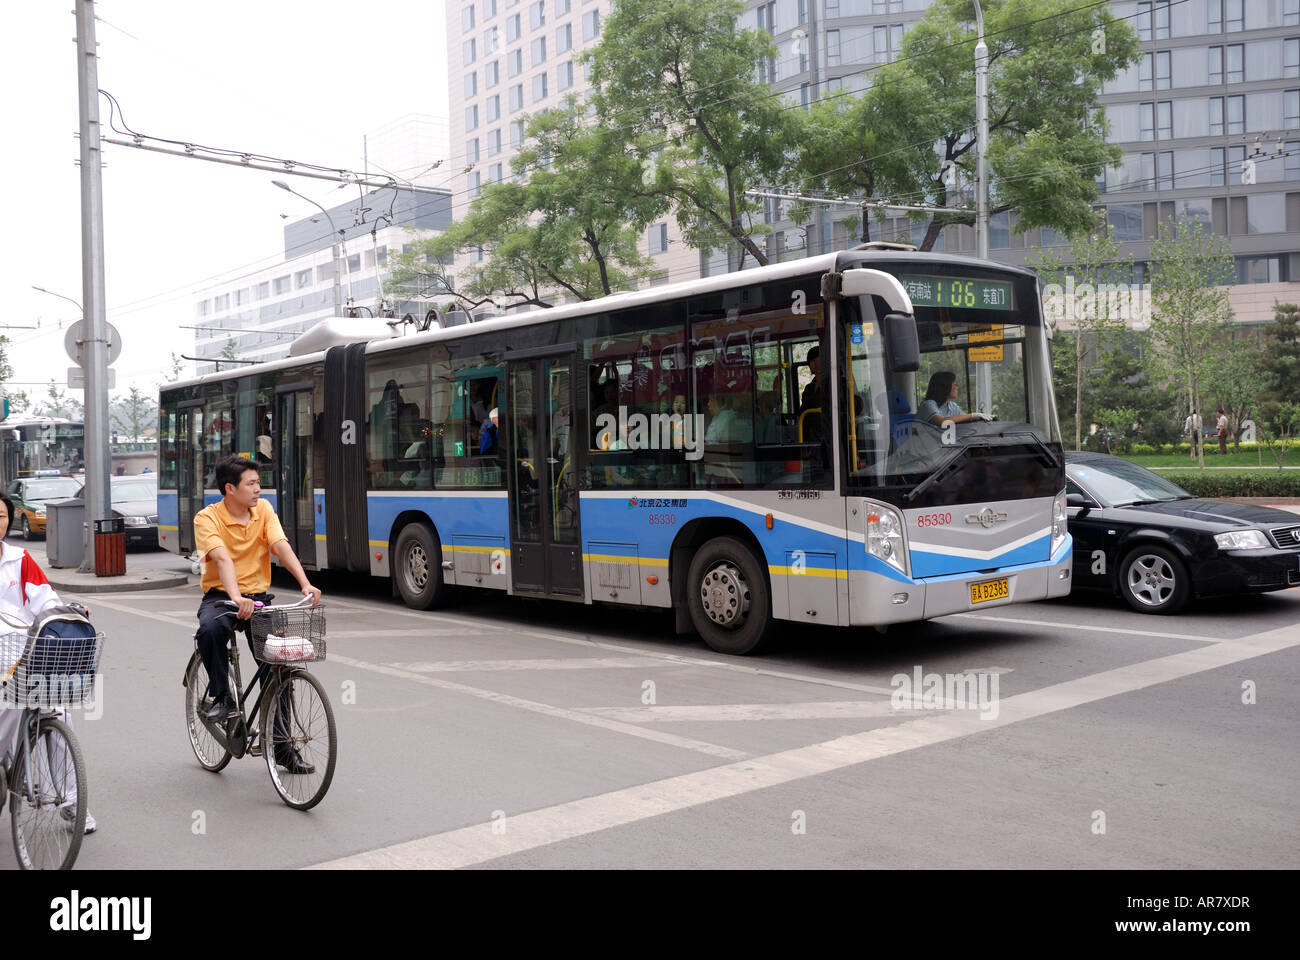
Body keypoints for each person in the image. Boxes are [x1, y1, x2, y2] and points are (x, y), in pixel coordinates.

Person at [193, 455, 321, 774]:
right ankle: (222, 697)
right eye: (250, 484)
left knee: (277, 668)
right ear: (229, 489)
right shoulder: (207, 518)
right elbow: (221, 559)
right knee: (210, 630)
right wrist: (235, 598)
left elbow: (280, 546)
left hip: (259, 598)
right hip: (223, 596)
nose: (257, 489)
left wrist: (305, 584)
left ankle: (282, 747)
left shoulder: (263, 510)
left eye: (258, 483)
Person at [0, 493, 96, 834]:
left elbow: (45, 598)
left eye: (0, 516)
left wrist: (68, 609)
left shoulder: (19, 558)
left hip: (21, 651)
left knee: (57, 711)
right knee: (8, 706)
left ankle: (71, 802)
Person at [918, 371, 993, 426]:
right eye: (954, 384)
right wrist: (973, 415)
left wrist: (981, 418)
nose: (957, 387)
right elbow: (942, 422)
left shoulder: (952, 406)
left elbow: (964, 419)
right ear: (944, 387)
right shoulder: (928, 404)